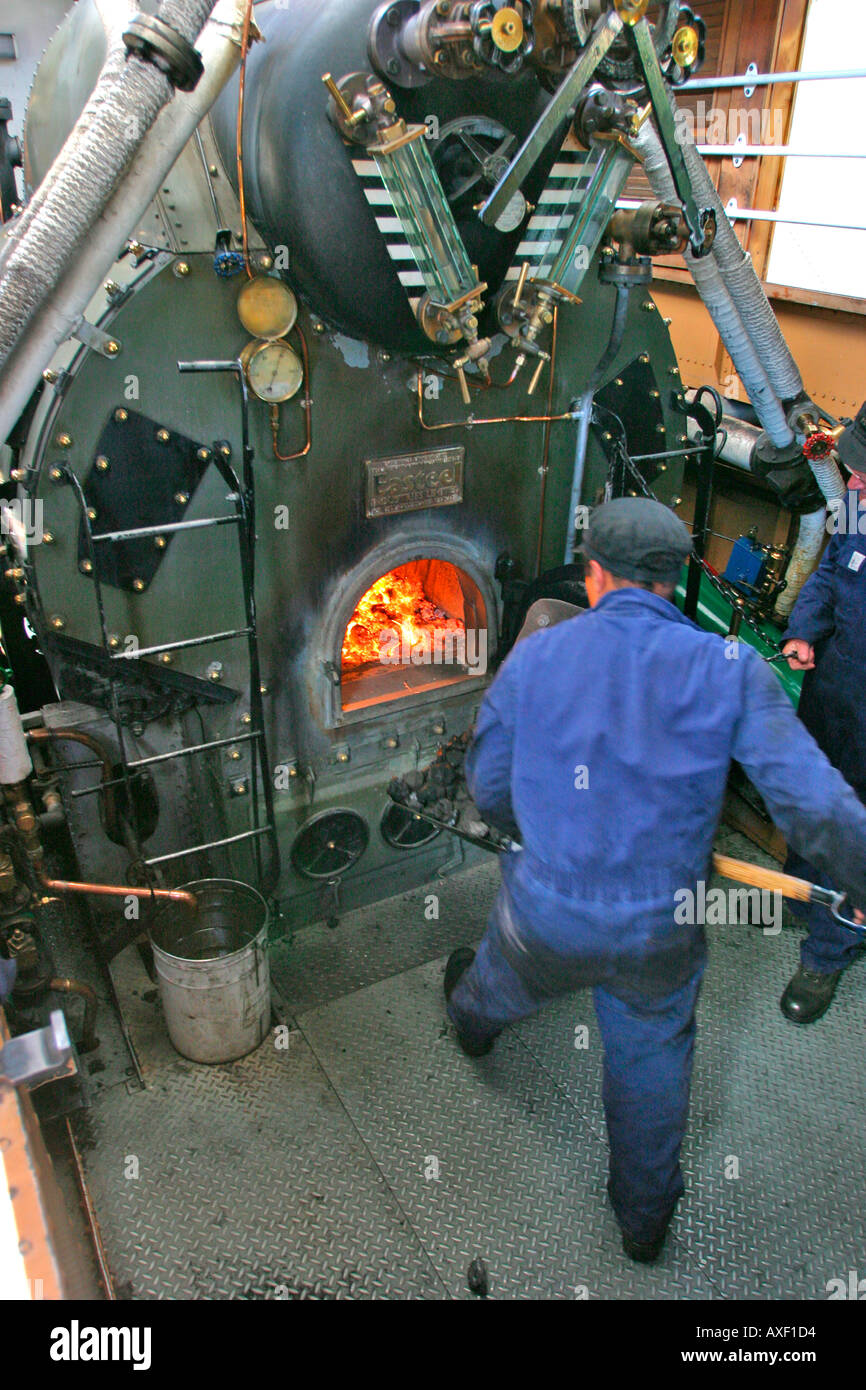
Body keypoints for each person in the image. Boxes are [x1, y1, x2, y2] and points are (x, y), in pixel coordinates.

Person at [444, 496, 866, 1264]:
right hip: (658, 927)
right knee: (651, 1066)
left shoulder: (538, 653)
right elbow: (815, 804)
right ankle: (643, 1224)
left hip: (546, 913)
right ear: (675, 580)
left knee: (498, 977)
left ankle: (471, 1028)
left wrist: (533, 830)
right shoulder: (729, 669)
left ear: (594, 575)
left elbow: (490, 781)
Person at [781, 402, 866, 1023]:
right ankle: (801, 889)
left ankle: (828, 952)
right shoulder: (860, 509)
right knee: (811, 791)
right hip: (834, 682)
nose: (854, 482)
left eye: (864, 472)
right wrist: (805, 630)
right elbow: (829, 572)